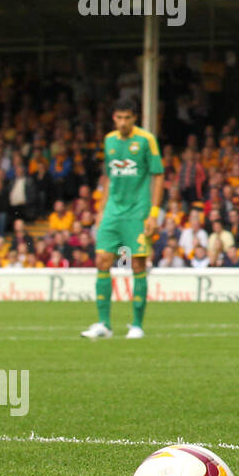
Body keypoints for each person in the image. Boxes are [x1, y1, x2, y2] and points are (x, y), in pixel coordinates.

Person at [80, 97, 163, 340]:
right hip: (112, 212)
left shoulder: (146, 140)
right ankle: (104, 324)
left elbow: (158, 175)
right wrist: (101, 208)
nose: (123, 122)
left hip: (138, 212)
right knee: (102, 261)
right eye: (119, 117)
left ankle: (137, 325)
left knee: (136, 265)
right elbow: (108, 175)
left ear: (134, 119)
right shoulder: (109, 140)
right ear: (114, 118)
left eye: (127, 118)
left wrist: (154, 213)